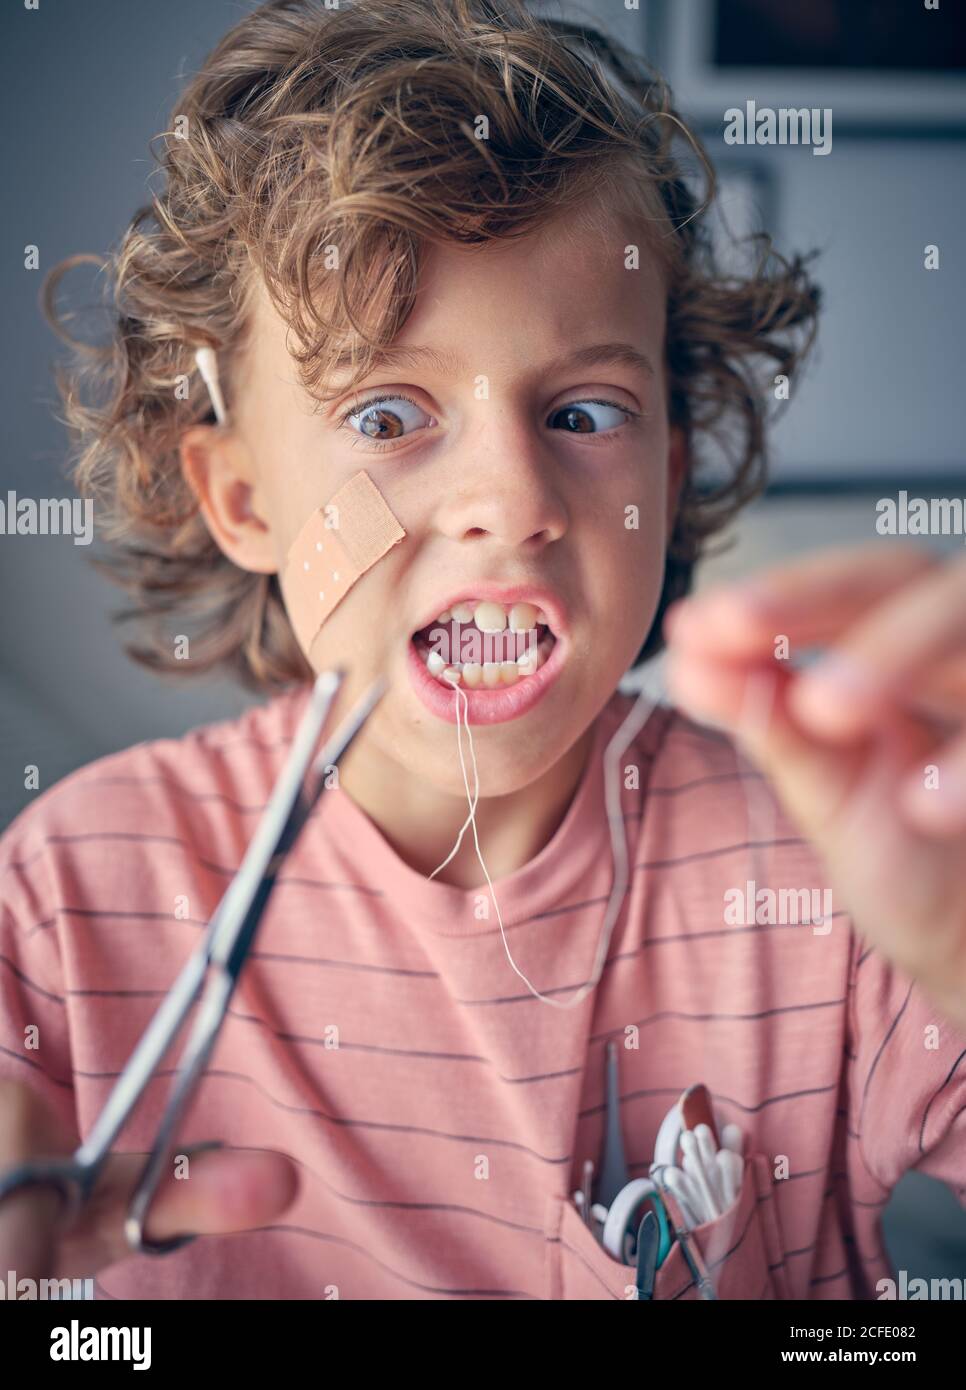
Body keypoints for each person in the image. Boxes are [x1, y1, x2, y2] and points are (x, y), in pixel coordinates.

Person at [1, 0, 963, 1300]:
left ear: (664, 485)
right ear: (243, 502)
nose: (510, 497)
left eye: (579, 410)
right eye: (389, 413)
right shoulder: (65, 901)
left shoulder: (841, 885)